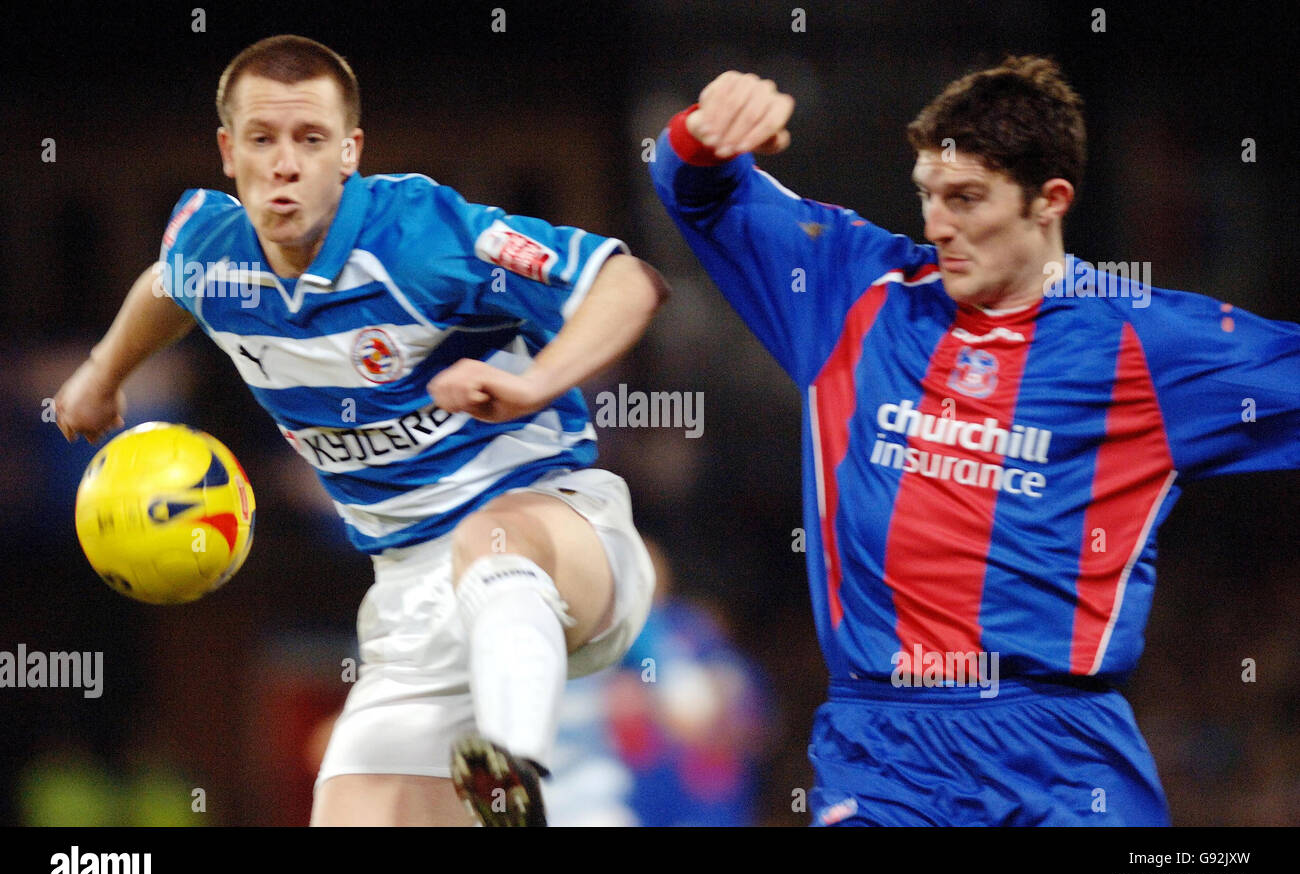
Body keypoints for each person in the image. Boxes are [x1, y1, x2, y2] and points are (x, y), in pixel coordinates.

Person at [650, 59, 1299, 826]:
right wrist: (705, 131)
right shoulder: (850, 293)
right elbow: (697, 189)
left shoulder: (1150, 343)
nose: (935, 225)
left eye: (964, 199)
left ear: (1050, 201)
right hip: (882, 750)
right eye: (927, 194)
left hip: (1062, 753)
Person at [54, 34, 668, 827]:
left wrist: (534, 384)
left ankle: (512, 777)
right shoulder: (212, 249)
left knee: (495, 541)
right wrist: (104, 374)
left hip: (562, 538)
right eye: (262, 139)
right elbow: (168, 286)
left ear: (349, 152)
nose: (285, 164)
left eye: (310, 140)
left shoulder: (421, 239)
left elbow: (627, 281)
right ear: (226, 151)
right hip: (412, 597)